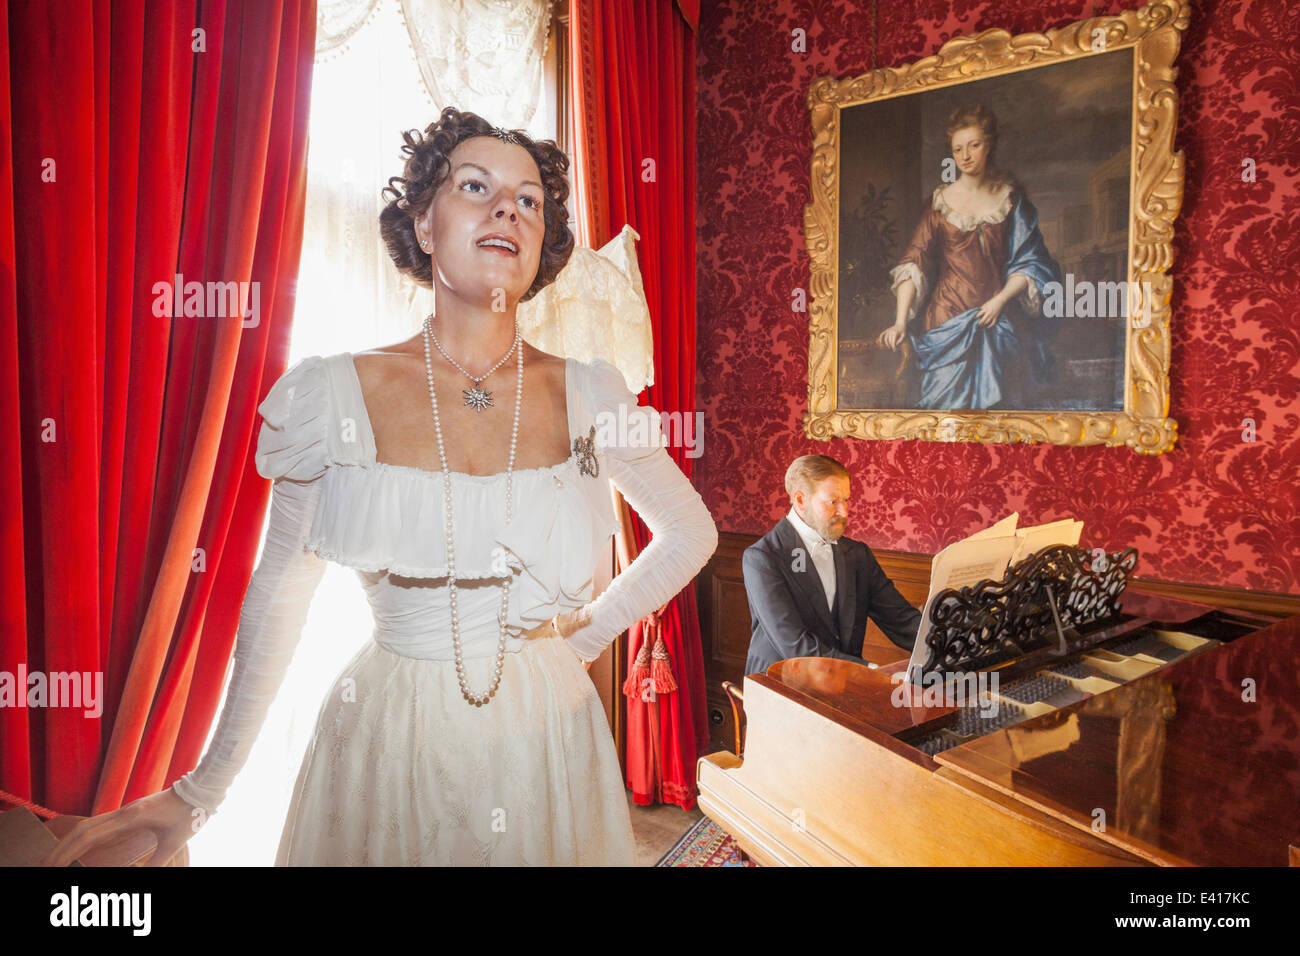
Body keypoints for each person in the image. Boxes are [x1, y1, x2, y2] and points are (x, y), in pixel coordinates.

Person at [43, 107, 718, 867]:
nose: (508, 208)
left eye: (529, 199)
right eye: (476, 186)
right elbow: (278, 599)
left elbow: (691, 533)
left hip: (550, 728)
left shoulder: (594, 393)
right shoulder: (330, 394)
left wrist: (586, 636)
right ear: (425, 226)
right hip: (389, 732)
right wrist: (202, 792)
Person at [877, 105, 1062, 410]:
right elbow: (914, 262)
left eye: (974, 145)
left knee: (1003, 416)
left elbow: (1029, 260)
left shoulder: (1011, 199)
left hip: (997, 316)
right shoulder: (940, 203)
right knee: (945, 416)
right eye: (958, 148)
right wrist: (899, 323)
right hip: (946, 319)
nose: (965, 155)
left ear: (989, 146)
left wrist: (999, 301)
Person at [743, 455, 919, 676]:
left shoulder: (857, 554)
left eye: (845, 500)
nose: (844, 512)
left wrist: (948, 643)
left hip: (842, 686)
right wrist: (868, 671)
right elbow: (795, 645)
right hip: (779, 688)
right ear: (800, 500)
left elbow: (900, 619)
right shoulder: (762, 558)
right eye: (832, 501)